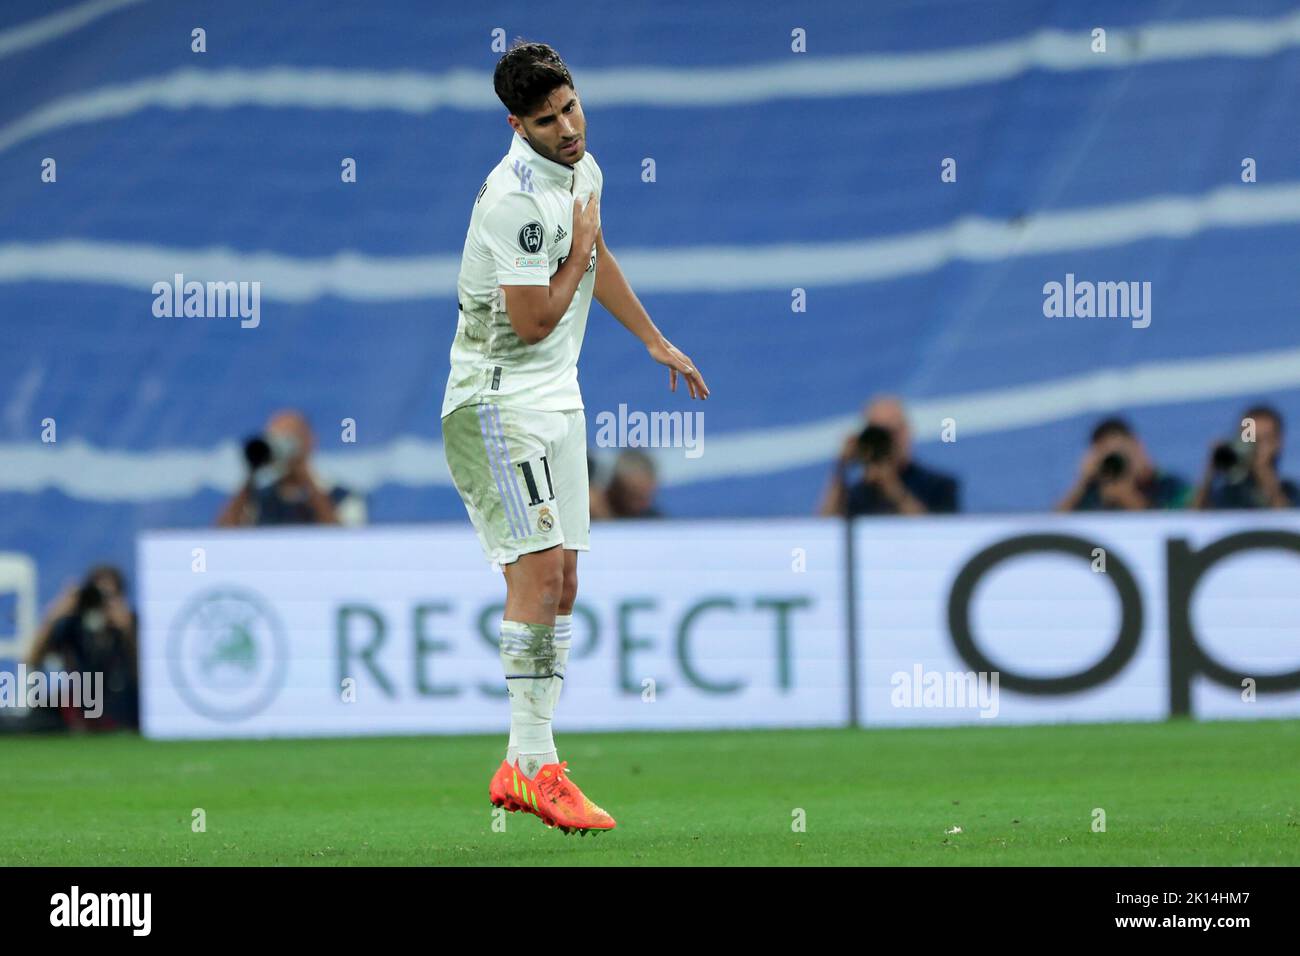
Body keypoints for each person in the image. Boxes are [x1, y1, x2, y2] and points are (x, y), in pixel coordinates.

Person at [439, 41, 709, 835]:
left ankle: (524, 761)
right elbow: (531, 320)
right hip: (494, 402)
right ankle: (534, 763)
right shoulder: (511, 199)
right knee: (539, 570)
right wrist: (585, 245)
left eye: (572, 108)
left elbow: (595, 260)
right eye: (549, 119)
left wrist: (651, 339)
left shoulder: (582, 173)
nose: (568, 128)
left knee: (566, 585)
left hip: (557, 402)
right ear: (516, 123)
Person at [26, 566, 138, 731]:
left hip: (121, 707)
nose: (102, 604)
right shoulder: (73, 625)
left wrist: (128, 631)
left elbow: (147, 678)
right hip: (79, 704)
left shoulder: (130, 624)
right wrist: (52, 617)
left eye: (109, 596)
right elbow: (31, 659)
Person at [217, 410, 365, 527]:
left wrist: (304, 477)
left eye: (289, 438)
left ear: (310, 441)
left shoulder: (344, 497)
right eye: (275, 439)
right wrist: (252, 473)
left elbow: (345, 544)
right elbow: (225, 537)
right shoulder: (258, 499)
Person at [819, 396, 959, 517]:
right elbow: (823, 530)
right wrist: (840, 468)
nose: (885, 441)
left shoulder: (939, 486)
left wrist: (891, 486)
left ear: (906, 433)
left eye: (891, 432)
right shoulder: (857, 494)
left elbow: (936, 534)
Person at [1056, 417, 1190, 511]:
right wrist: (1082, 481)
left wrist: (1127, 496)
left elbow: (1171, 528)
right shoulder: (1091, 492)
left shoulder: (1168, 485)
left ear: (1137, 447)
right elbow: (1052, 528)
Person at [1193, 404, 1299, 510]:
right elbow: (1192, 520)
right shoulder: (1227, 493)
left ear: (1278, 443)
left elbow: (1287, 519)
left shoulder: (1289, 491)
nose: (1254, 447)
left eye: (1262, 440)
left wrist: (1264, 473)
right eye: (1249, 439)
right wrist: (1209, 475)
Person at [606, 450, 663, 518]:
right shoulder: (594, 514)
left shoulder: (657, 522)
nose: (638, 505)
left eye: (644, 497)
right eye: (632, 496)